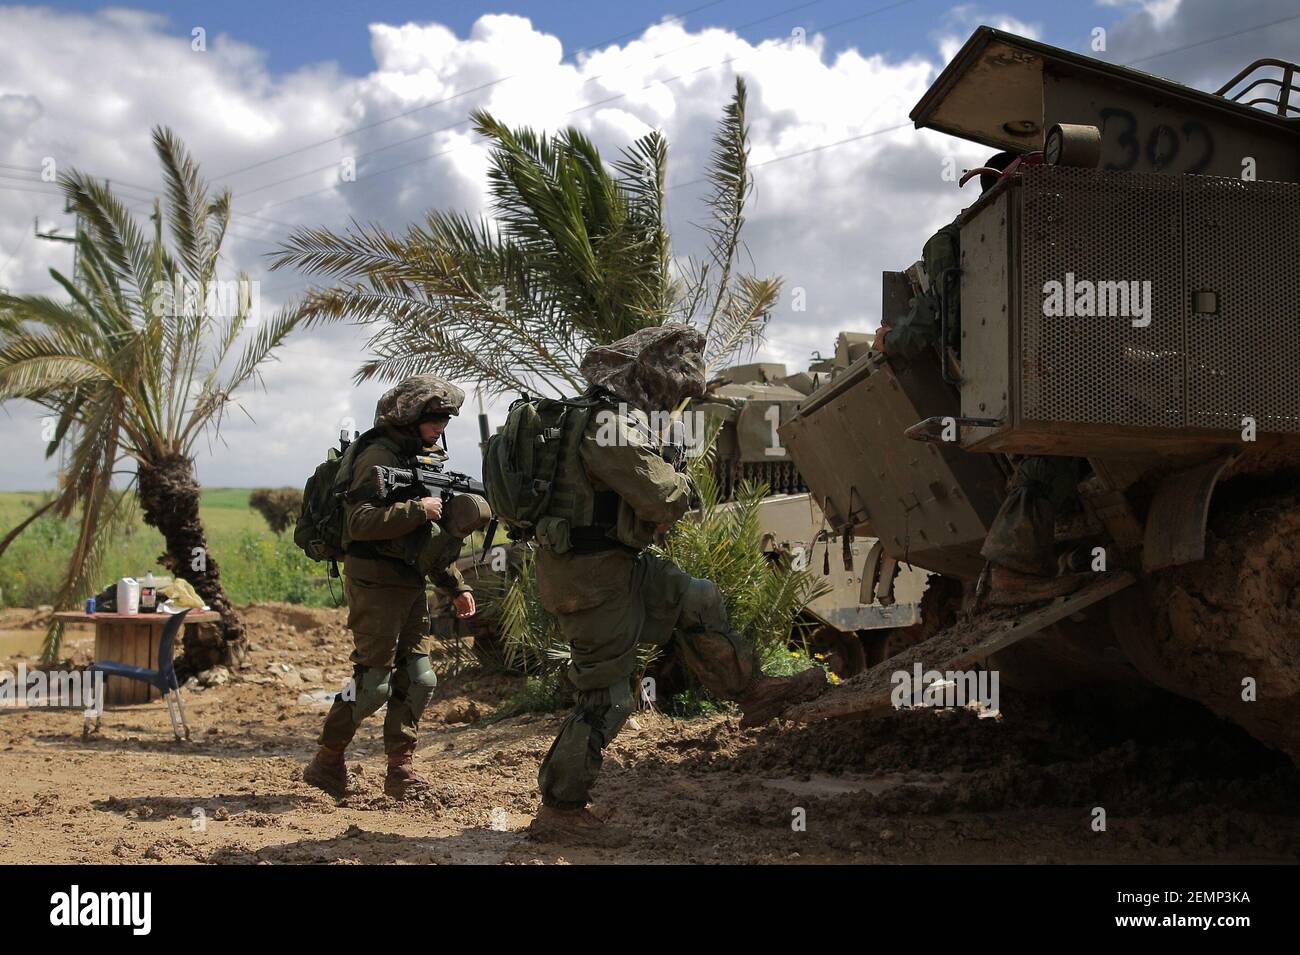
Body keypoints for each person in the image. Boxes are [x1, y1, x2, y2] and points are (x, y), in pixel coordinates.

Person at [528, 324, 828, 844]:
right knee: (609, 698)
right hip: (590, 577)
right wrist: (680, 480)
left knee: (698, 598)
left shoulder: (609, 420)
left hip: (620, 564)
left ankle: (750, 691)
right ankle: (561, 810)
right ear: (646, 381)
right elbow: (663, 499)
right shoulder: (608, 427)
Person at [303, 375, 480, 801]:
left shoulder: (422, 457)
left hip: (409, 580)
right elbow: (358, 523)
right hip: (373, 579)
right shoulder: (377, 455)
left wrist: (453, 586)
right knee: (373, 684)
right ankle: (327, 760)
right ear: (409, 417)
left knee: (419, 678)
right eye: (433, 417)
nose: (441, 426)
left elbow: (426, 541)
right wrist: (417, 509)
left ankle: (400, 771)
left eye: (445, 419)